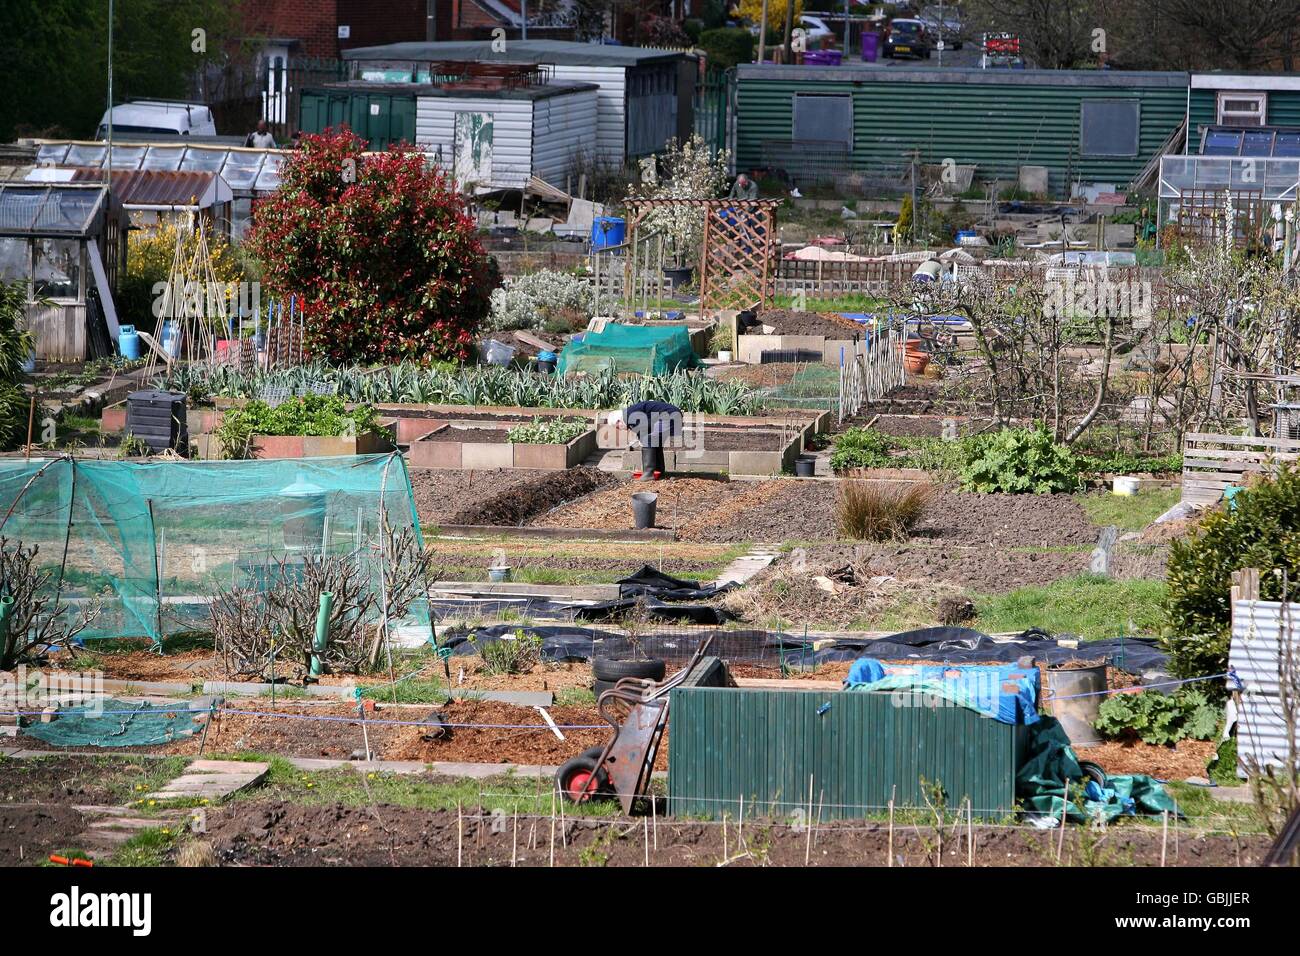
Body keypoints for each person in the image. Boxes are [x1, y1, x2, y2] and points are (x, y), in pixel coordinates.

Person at [608, 400, 683, 481]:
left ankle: (648, 474)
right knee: (655, 443)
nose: (619, 429)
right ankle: (658, 472)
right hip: (672, 415)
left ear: (618, 421)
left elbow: (643, 429)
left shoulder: (629, 416)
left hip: (670, 415)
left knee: (649, 440)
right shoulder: (629, 415)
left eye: (617, 427)